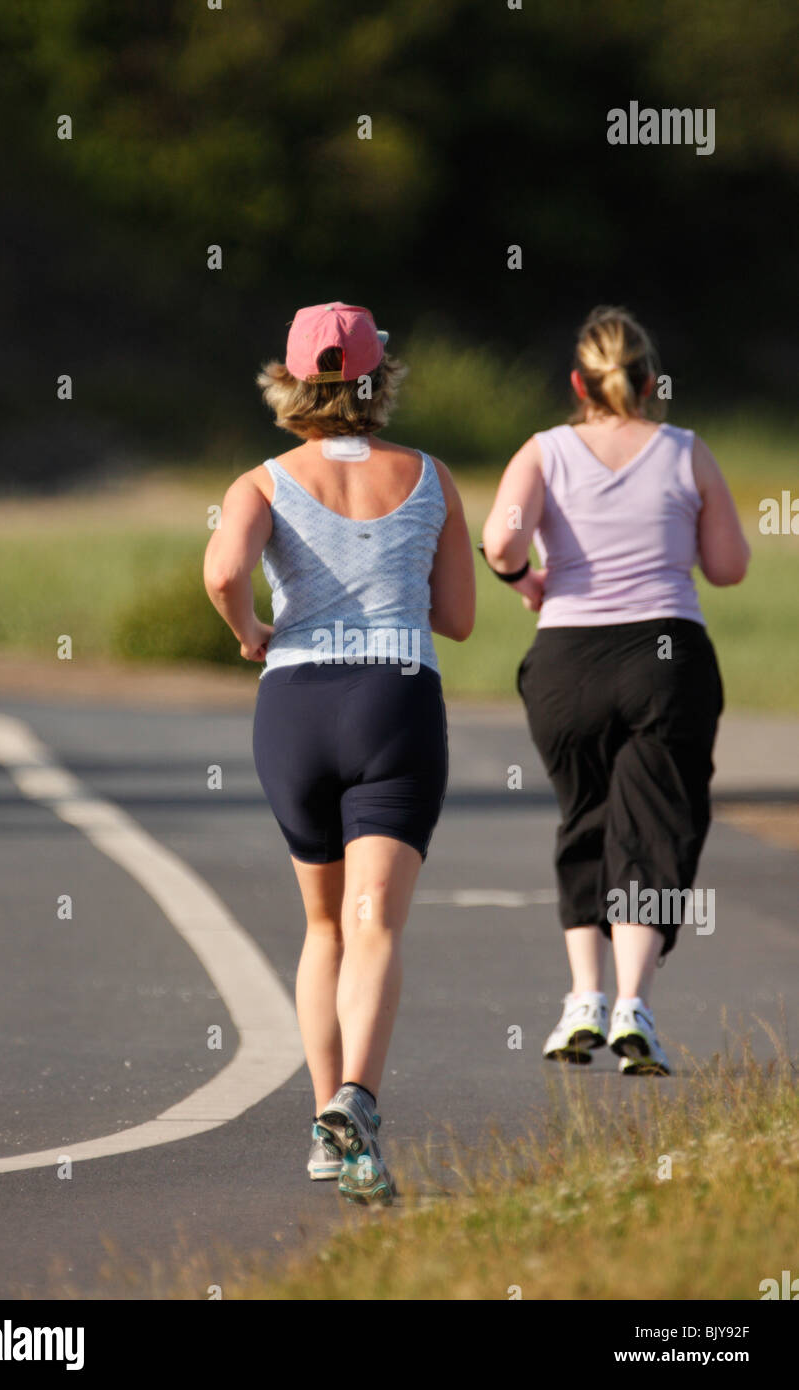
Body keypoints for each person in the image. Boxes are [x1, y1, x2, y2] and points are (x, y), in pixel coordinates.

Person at [204, 302, 475, 1201]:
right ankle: (356, 1099)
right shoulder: (431, 475)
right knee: (376, 924)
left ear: (290, 381)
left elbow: (220, 571)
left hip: (295, 707)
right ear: (378, 380)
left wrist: (251, 631)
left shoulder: (262, 482)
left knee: (322, 926)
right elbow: (461, 620)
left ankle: (328, 1128)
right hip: (394, 696)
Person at [482, 305, 750, 1075]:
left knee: (586, 819)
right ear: (649, 378)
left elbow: (501, 539)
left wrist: (525, 579)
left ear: (578, 381)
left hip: (567, 664)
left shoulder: (543, 452)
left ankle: (582, 1000)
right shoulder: (684, 452)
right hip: (665, 663)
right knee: (656, 829)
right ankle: (636, 1003)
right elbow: (727, 567)